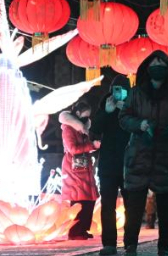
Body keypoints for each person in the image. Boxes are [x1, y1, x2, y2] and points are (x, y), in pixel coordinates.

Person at [119, 51, 168, 256]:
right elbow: (123, 117)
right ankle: (130, 245)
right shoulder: (136, 93)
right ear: (147, 68)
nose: (157, 66)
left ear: (167, 68)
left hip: (166, 154)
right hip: (139, 154)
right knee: (134, 207)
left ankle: (164, 248)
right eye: (154, 63)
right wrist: (138, 124)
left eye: (161, 63)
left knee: (165, 207)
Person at [86, 76, 131, 255]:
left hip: (129, 163)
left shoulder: (134, 104)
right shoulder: (106, 104)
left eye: (121, 89)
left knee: (131, 204)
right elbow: (94, 132)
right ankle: (109, 244)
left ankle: (130, 242)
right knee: (107, 205)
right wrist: (107, 111)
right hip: (108, 164)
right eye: (114, 89)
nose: (117, 93)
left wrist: (126, 110)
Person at [60, 100, 101, 240]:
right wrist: (92, 146)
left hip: (84, 166)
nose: (86, 118)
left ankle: (83, 229)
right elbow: (73, 149)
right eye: (84, 115)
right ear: (77, 114)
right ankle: (75, 231)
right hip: (74, 168)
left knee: (89, 199)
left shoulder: (83, 128)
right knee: (78, 199)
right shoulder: (68, 129)